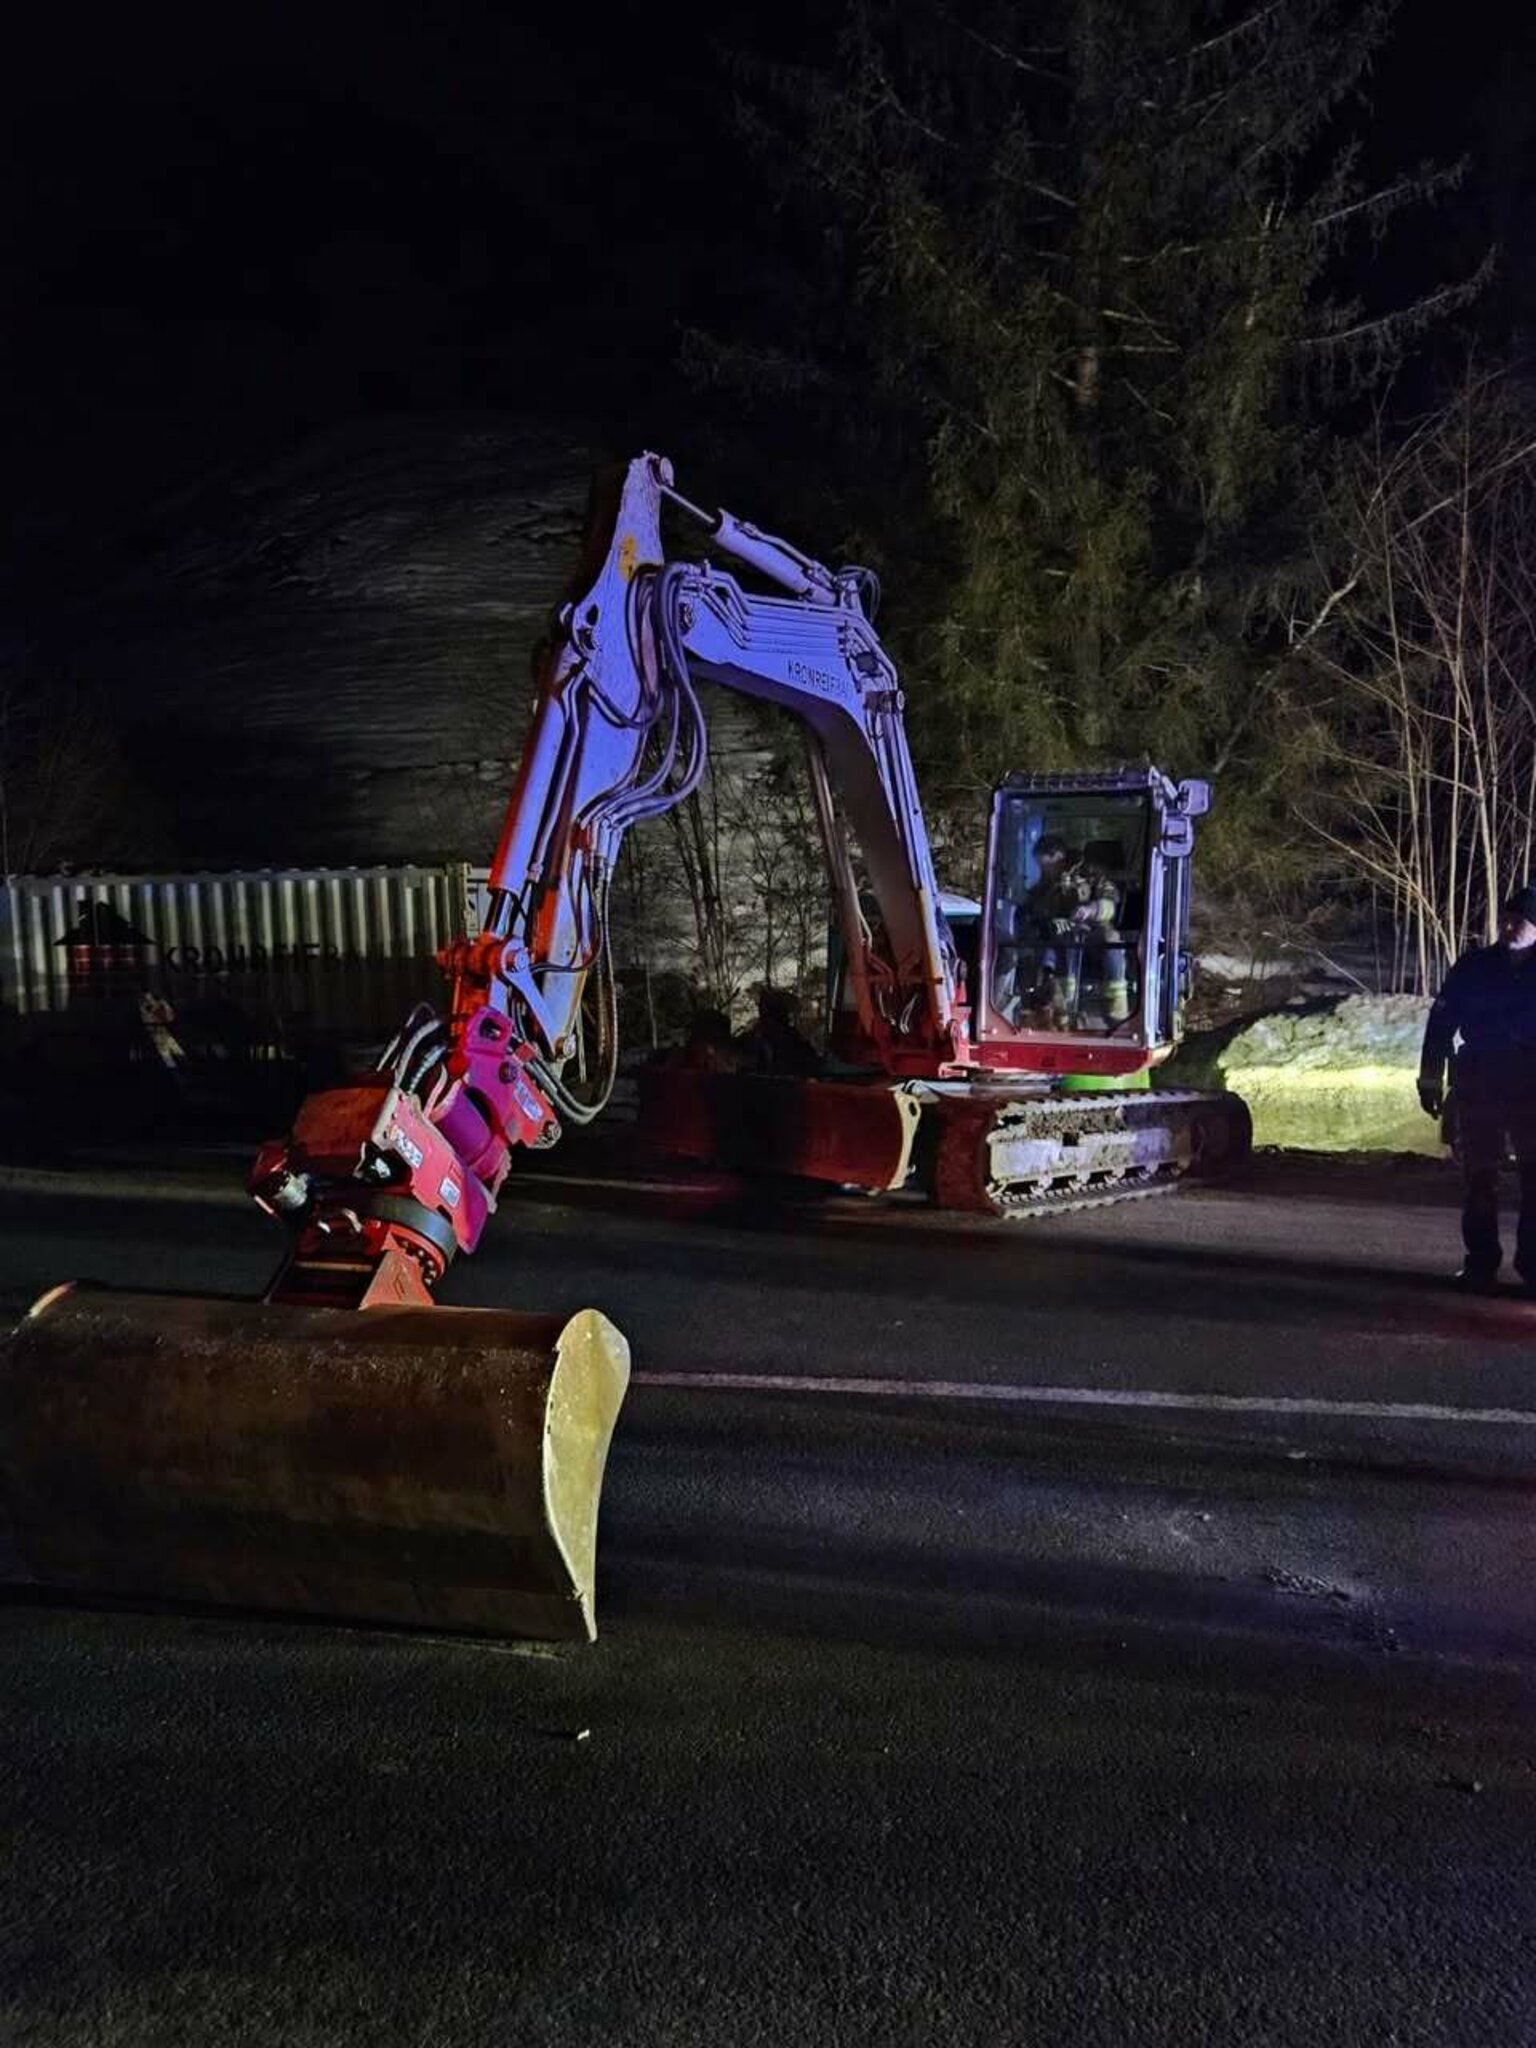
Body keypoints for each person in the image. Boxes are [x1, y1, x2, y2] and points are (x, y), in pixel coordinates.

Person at [1417, 883, 1536, 1292]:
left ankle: (1533, 1265)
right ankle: (1481, 1261)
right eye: (1507, 917)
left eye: (1520, 919)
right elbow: (1441, 1025)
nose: (1510, 925)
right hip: (1480, 1081)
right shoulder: (1474, 967)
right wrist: (1430, 1077)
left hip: (1530, 1087)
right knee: (1480, 1176)